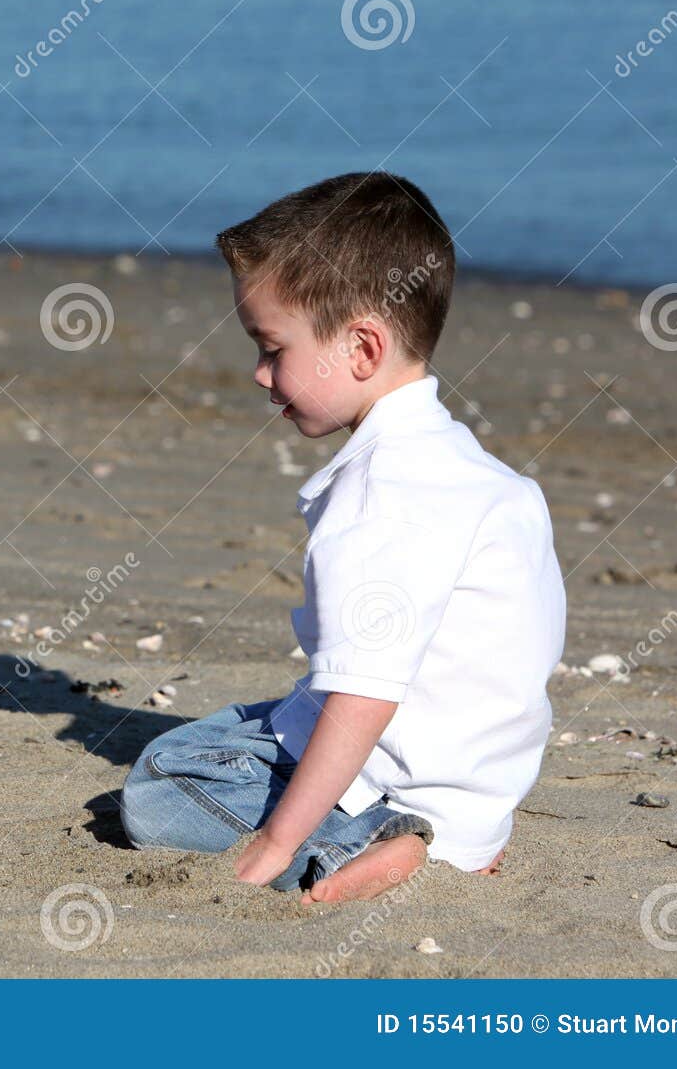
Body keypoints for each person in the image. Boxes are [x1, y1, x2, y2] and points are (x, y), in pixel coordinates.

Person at [121, 173, 564, 903]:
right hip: (480, 791)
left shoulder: (377, 496)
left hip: (400, 786)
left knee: (162, 779)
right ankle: (425, 832)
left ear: (362, 348)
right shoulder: (482, 476)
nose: (261, 373)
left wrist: (275, 842)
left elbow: (363, 695)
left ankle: (359, 845)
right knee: (246, 722)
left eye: (273, 348)